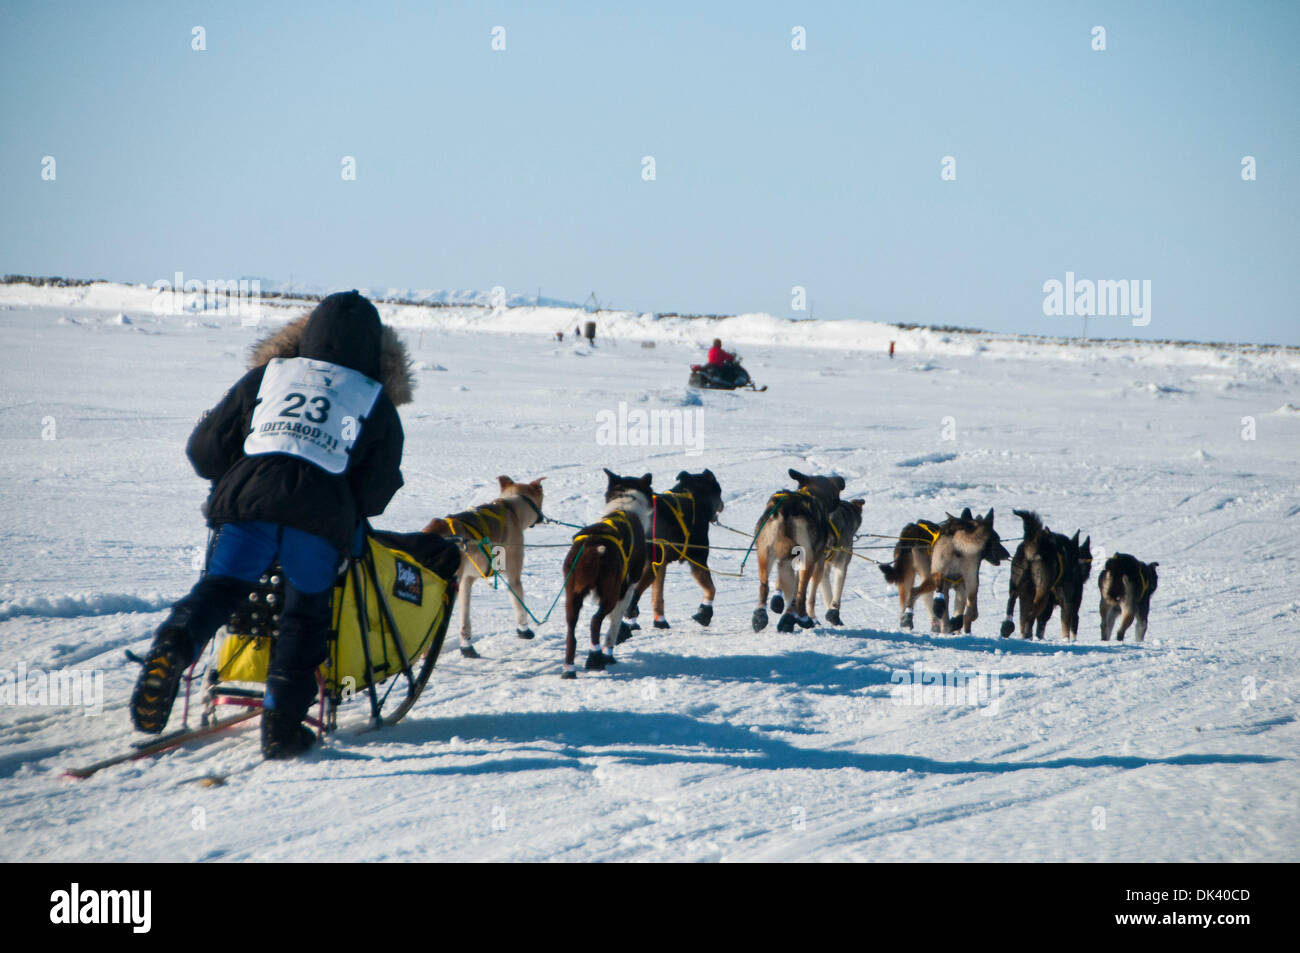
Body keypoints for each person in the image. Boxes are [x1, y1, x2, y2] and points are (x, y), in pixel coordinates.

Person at [130, 290, 407, 759]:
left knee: (219, 591)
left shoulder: (268, 376)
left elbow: (205, 451)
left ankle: (173, 646)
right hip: (318, 522)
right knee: (304, 615)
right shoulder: (374, 399)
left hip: (247, 506)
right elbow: (376, 492)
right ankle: (281, 726)